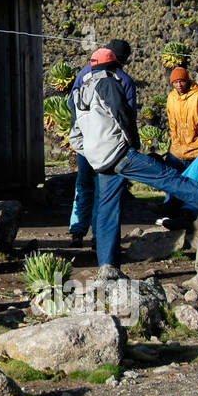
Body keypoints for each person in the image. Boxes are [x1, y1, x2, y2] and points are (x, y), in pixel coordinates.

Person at [70, 47, 198, 279]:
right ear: (113, 66)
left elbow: (75, 135)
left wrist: (94, 153)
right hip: (120, 154)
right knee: (169, 177)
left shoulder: (79, 91)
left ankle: (108, 267)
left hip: (99, 160)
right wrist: (131, 144)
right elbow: (122, 115)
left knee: (107, 210)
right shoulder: (108, 82)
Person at [68, 39, 138, 251]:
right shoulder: (123, 80)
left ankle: (77, 230)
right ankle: (99, 236)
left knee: (83, 185)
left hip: (85, 142)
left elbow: (73, 104)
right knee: (102, 191)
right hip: (108, 146)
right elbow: (127, 115)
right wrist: (132, 143)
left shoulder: (84, 73)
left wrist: (78, 137)